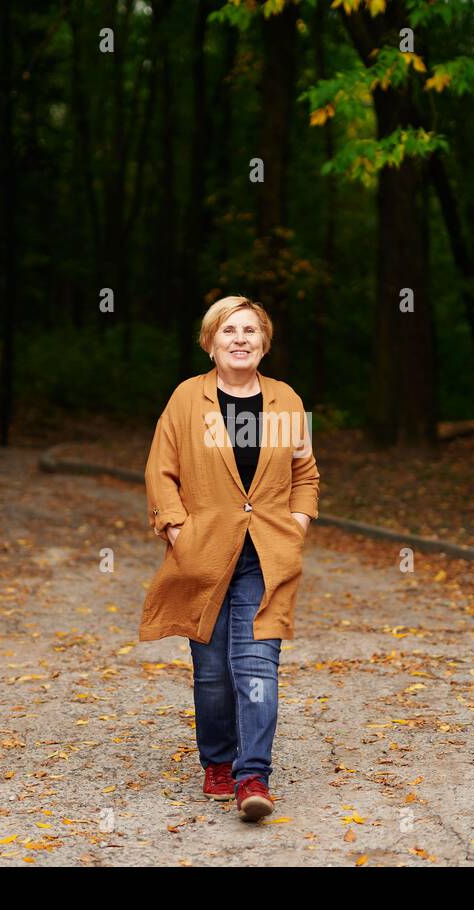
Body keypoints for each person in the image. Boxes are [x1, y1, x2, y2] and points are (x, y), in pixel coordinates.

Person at [139, 295, 320, 822]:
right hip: (206, 555)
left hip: (266, 554)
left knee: (257, 662)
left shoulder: (283, 401)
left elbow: (305, 473)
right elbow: (161, 470)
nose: (240, 339)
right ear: (210, 341)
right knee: (213, 672)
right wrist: (174, 526)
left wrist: (298, 521)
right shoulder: (189, 400)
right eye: (228, 331)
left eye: (250, 331)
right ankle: (217, 760)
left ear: (264, 342)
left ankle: (253, 775)